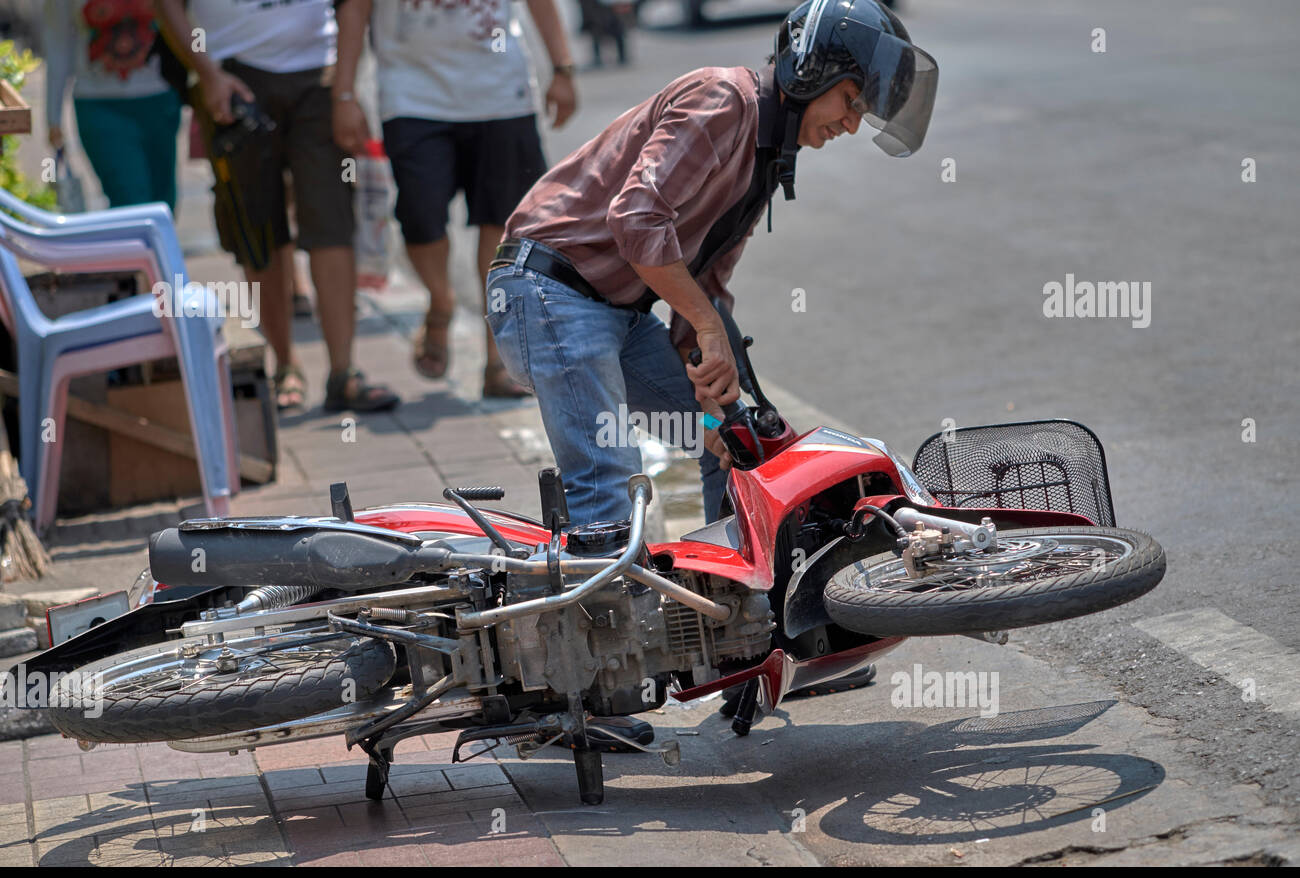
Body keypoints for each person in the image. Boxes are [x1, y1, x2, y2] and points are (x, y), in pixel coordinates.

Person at [486, 0, 937, 526]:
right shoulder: (725, 99)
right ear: (813, 73)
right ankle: (606, 608)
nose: (852, 125)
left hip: (616, 314)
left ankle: (734, 598)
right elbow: (636, 218)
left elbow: (705, 282)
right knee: (606, 480)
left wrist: (714, 376)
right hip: (549, 293)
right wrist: (705, 324)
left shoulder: (768, 155)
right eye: (850, 101)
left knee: (733, 442)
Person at [154, 0, 400, 414]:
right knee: (258, 231)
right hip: (235, 78)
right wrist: (208, 74)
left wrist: (344, 91)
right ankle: (286, 364)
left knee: (331, 221)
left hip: (318, 77)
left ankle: (344, 371)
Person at [332, 0, 578, 400]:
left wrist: (563, 68)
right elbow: (355, 10)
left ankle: (499, 361)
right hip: (412, 96)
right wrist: (343, 95)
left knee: (504, 227)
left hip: (502, 94)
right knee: (420, 218)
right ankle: (440, 299)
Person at [44, 0, 183, 209]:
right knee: (130, 201)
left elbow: (191, 25)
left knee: (164, 201)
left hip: (160, 101)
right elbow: (58, 46)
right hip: (99, 105)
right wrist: (53, 118)